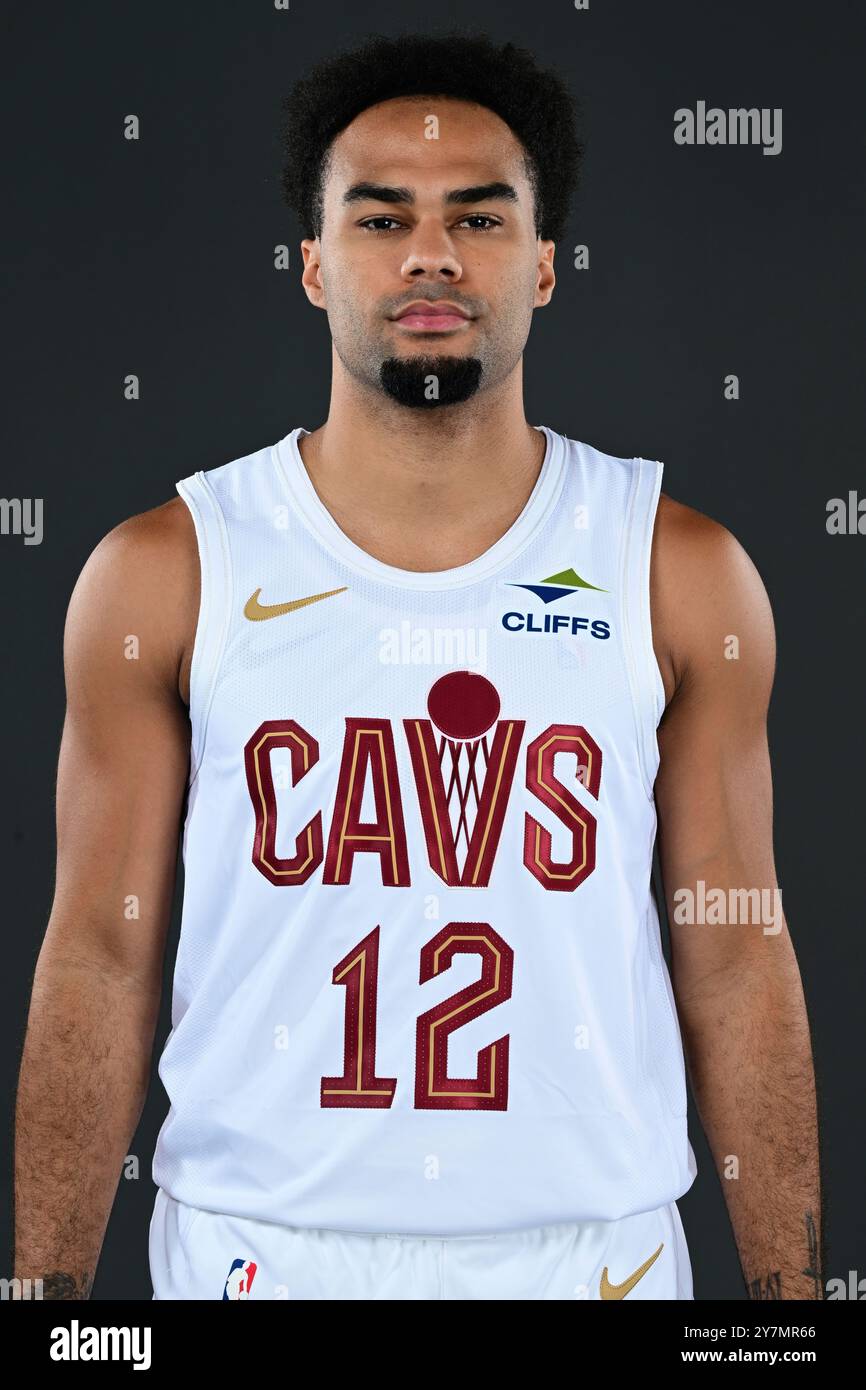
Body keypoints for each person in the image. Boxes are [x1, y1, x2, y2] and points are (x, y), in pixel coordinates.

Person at [15, 31, 822, 1301]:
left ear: (545, 267)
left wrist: (787, 1311)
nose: (431, 254)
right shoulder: (169, 569)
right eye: (381, 216)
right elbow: (99, 954)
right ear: (314, 265)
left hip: (590, 1253)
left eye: (479, 218)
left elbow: (730, 954)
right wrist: (43, 1306)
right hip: (256, 1250)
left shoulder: (675, 570)